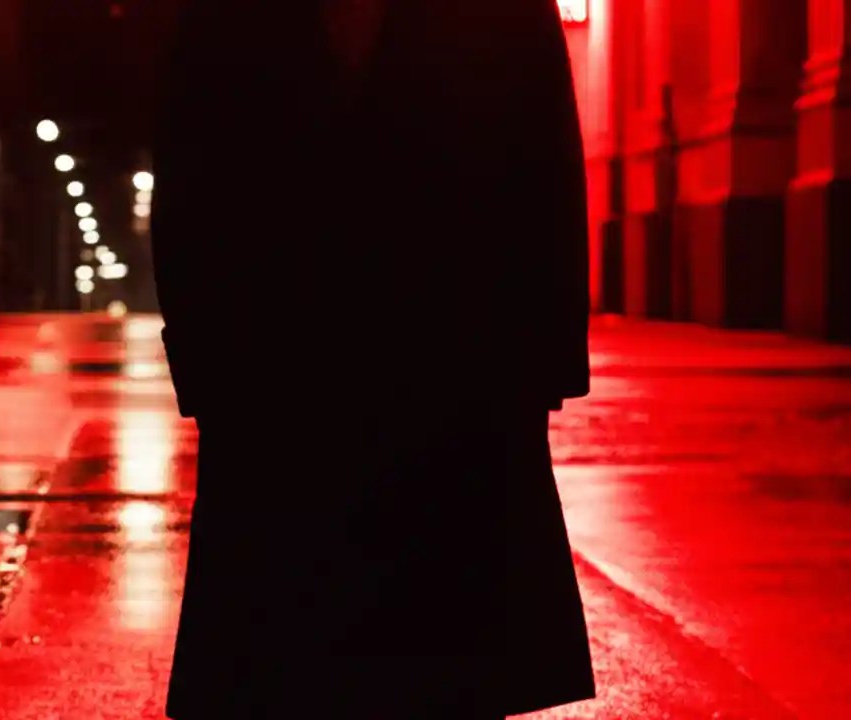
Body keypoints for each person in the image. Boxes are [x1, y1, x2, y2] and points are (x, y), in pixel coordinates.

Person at [152, 0, 594, 717]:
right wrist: (206, 365)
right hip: (290, 379)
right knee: (320, 662)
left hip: (441, 371)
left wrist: (544, 356)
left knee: (417, 662)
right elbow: (189, 175)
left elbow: (544, 161)